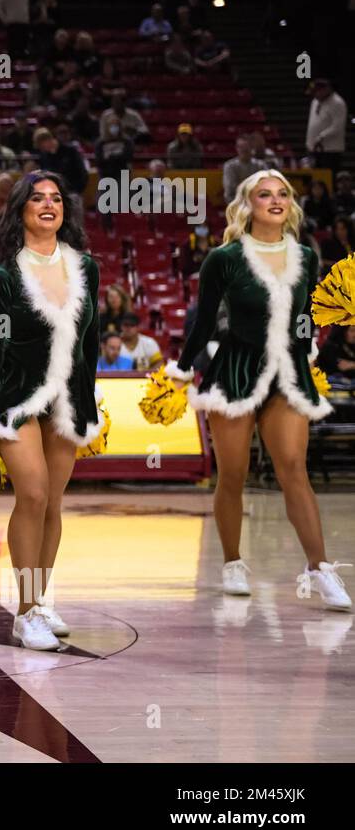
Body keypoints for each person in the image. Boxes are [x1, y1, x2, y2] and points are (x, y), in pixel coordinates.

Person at [164, 170, 348, 609]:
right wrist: (183, 368)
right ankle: (232, 562)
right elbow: (205, 320)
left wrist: (308, 351)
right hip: (235, 368)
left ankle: (319, 568)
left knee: (293, 468)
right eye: (265, 194)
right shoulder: (224, 258)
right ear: (248, 206)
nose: (276, 200)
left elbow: (304, 314)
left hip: (288, 370)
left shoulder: (306, 254)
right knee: (233, 474)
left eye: (282, 193)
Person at [0, 171, 102, 650]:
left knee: (54, 504)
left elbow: (92, 342)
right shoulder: (3, 278)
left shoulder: (87, 268)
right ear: (20, 209)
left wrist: (90, 399)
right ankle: (24, 614)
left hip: (67, 400)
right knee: (35, 495)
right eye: (38, 198)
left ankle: (40, 599)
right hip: (14, 399)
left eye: (56, 199)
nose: (48, 205)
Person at [306, 79, 348, 175]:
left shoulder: (338, 103)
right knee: (315, 179)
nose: (315, 95)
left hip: (331, 150)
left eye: (317, 92)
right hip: (314, 149)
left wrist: (321, 137)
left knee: (328, 178)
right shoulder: (315, 102)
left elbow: (338, 126)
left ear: (326, 89)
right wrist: (309, 142)